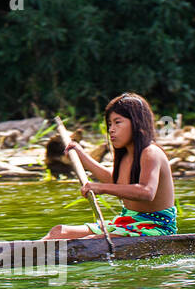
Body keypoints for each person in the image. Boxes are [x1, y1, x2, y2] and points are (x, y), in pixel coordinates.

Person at [43, 92, 177, 239]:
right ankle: (24, 255)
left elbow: (146, 192)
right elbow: (114, 180)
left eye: (117, 122)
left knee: (89, 242)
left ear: (137, 121)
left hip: (156, 226)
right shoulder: (126, 154)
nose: (111, 129)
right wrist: (82, 156)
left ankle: (29, 257)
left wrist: (100, 188)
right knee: (59, 232)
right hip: (128, 221)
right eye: (109, 124)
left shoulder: (151, 152)